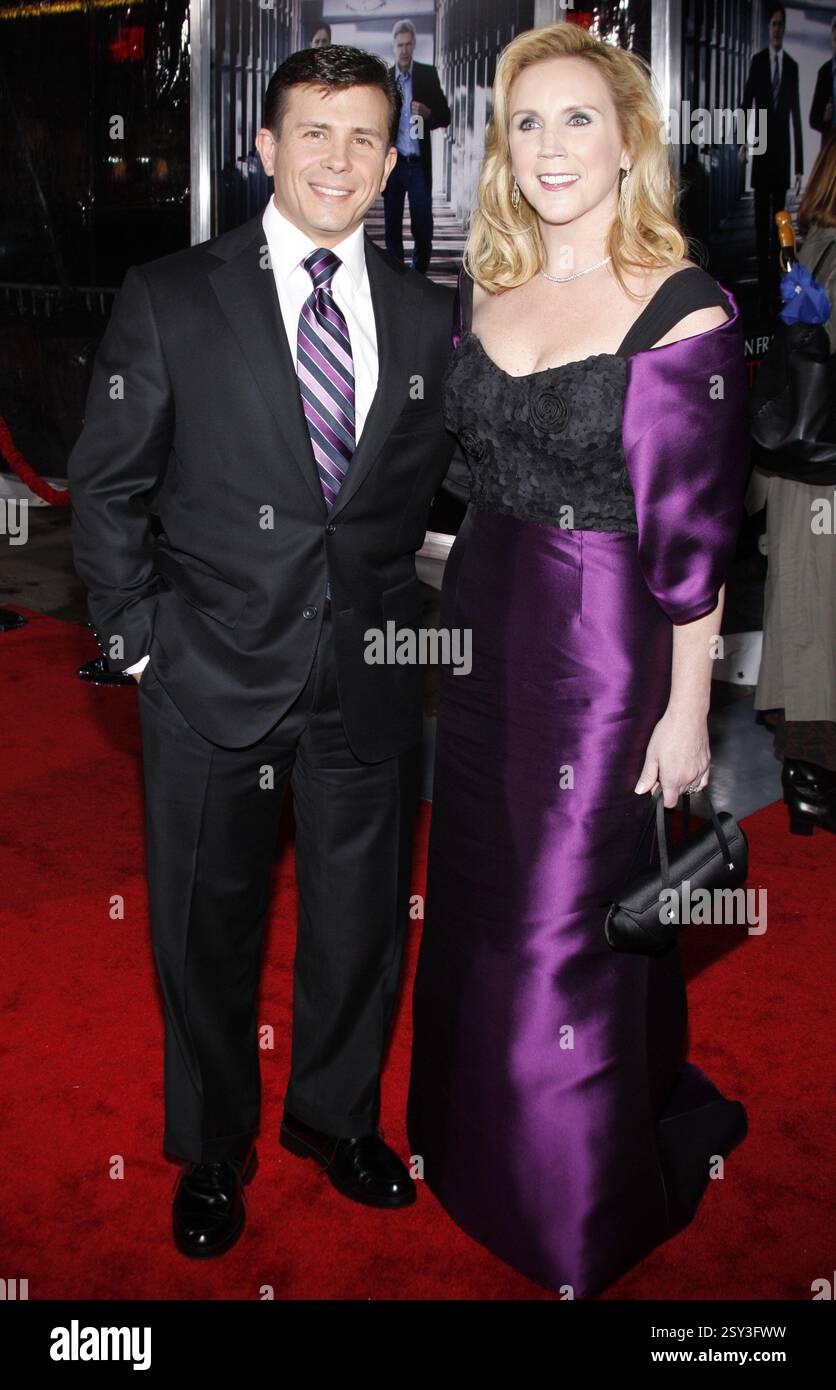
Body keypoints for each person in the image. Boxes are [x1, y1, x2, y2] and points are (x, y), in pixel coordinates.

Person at [68, 44, 458, 1258]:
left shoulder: (428, 314)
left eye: (362, 139)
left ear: (391, 159)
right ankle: (213, 1147)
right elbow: (107, 485)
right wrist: (139, 644)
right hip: (208, 675)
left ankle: (334, 1118)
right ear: (264, 147)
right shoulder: (172, 294)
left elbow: (444, 497)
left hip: (370, 684)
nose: (337, 161)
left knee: (360, 925)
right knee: (204, 929)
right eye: (313, 133)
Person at [407, 23, 751, 1299]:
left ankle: (570, 1195)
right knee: (484, 896)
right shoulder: (482, 284)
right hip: (488, 622)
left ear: (626, 144)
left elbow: (697, 540)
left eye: (576, 121)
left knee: (567, 914)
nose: (549, 147)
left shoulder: (680, 304)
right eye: (526, 124)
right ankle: (472, 1141)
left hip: (609, 645)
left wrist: (685, 707)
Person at [748, 130, 836, 834]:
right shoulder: (819, 247)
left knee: (808, 621)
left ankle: (808, 778)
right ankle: (810, 779)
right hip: (819, 476)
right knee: (813, 623)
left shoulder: (811, 242)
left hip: (803, 472)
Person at [740, 4, 804, 313]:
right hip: (762, 154)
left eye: (781, 25)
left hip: (782, 158)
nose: (777, 29)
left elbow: (795, 117)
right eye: (773, 25)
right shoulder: (758, 62)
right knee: (760, 225)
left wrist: (800, 165)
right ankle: (762, 290)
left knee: (781, 227)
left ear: (784, 29)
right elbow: (745, 105)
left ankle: (779, 285)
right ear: (769, 29)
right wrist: (743, 143)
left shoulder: (791, 67)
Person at [383, 19, 451, 274]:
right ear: (394, 47)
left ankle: (418, 277)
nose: (404, 49)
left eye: (408, 44)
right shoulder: (386, 79)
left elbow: (445, 116)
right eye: (399, 45)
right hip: (394, 165)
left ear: (413, 45)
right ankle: (397, 278)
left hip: (418, 165)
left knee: (422, 227)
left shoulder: (427, 75)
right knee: (392, 227)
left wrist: (427, 112)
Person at [809, 14, 836, 146]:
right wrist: (824, 118)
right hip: (829, 149)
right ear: (832, 40)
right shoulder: (824, 73)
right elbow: (813, 120)